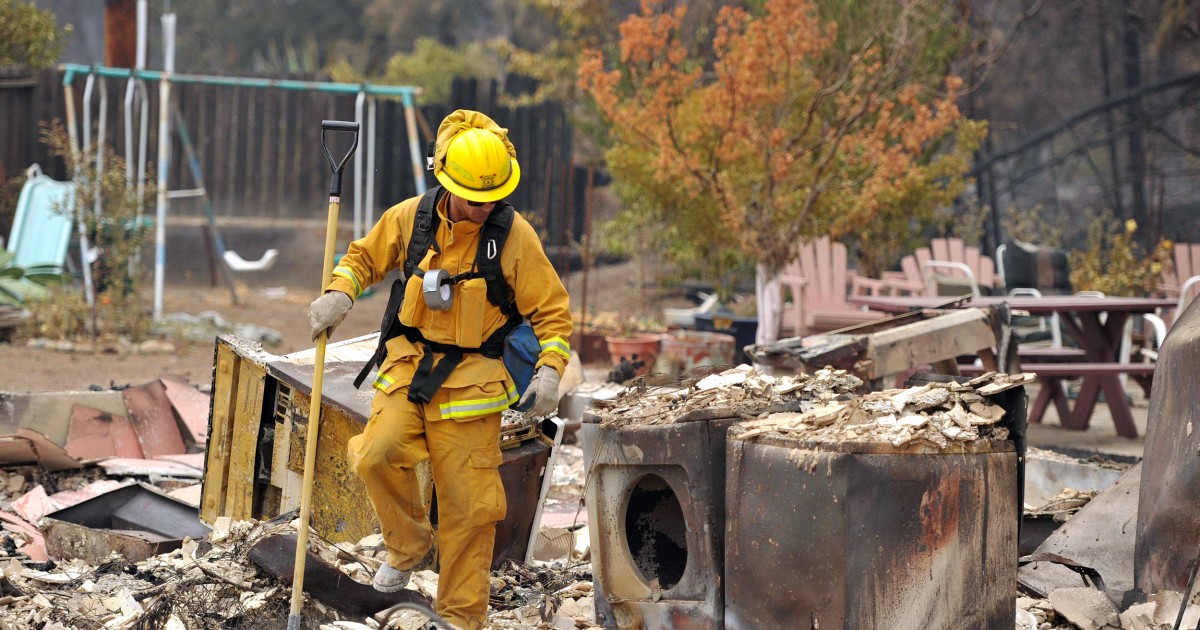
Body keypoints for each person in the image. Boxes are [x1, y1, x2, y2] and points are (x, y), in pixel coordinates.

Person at [307, 109, 572, 630]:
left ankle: (459, 620)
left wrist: (550, 368)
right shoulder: (413, 218)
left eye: (494, 197)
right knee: (377, 455)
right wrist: (340, 293)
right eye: (476, 199)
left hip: (474, 382)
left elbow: (553, 312)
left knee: (470, 512)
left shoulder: (513, 237)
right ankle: (406, 546)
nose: (486, 207)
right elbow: (363, 257)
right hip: (409, 366)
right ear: (448, 184)